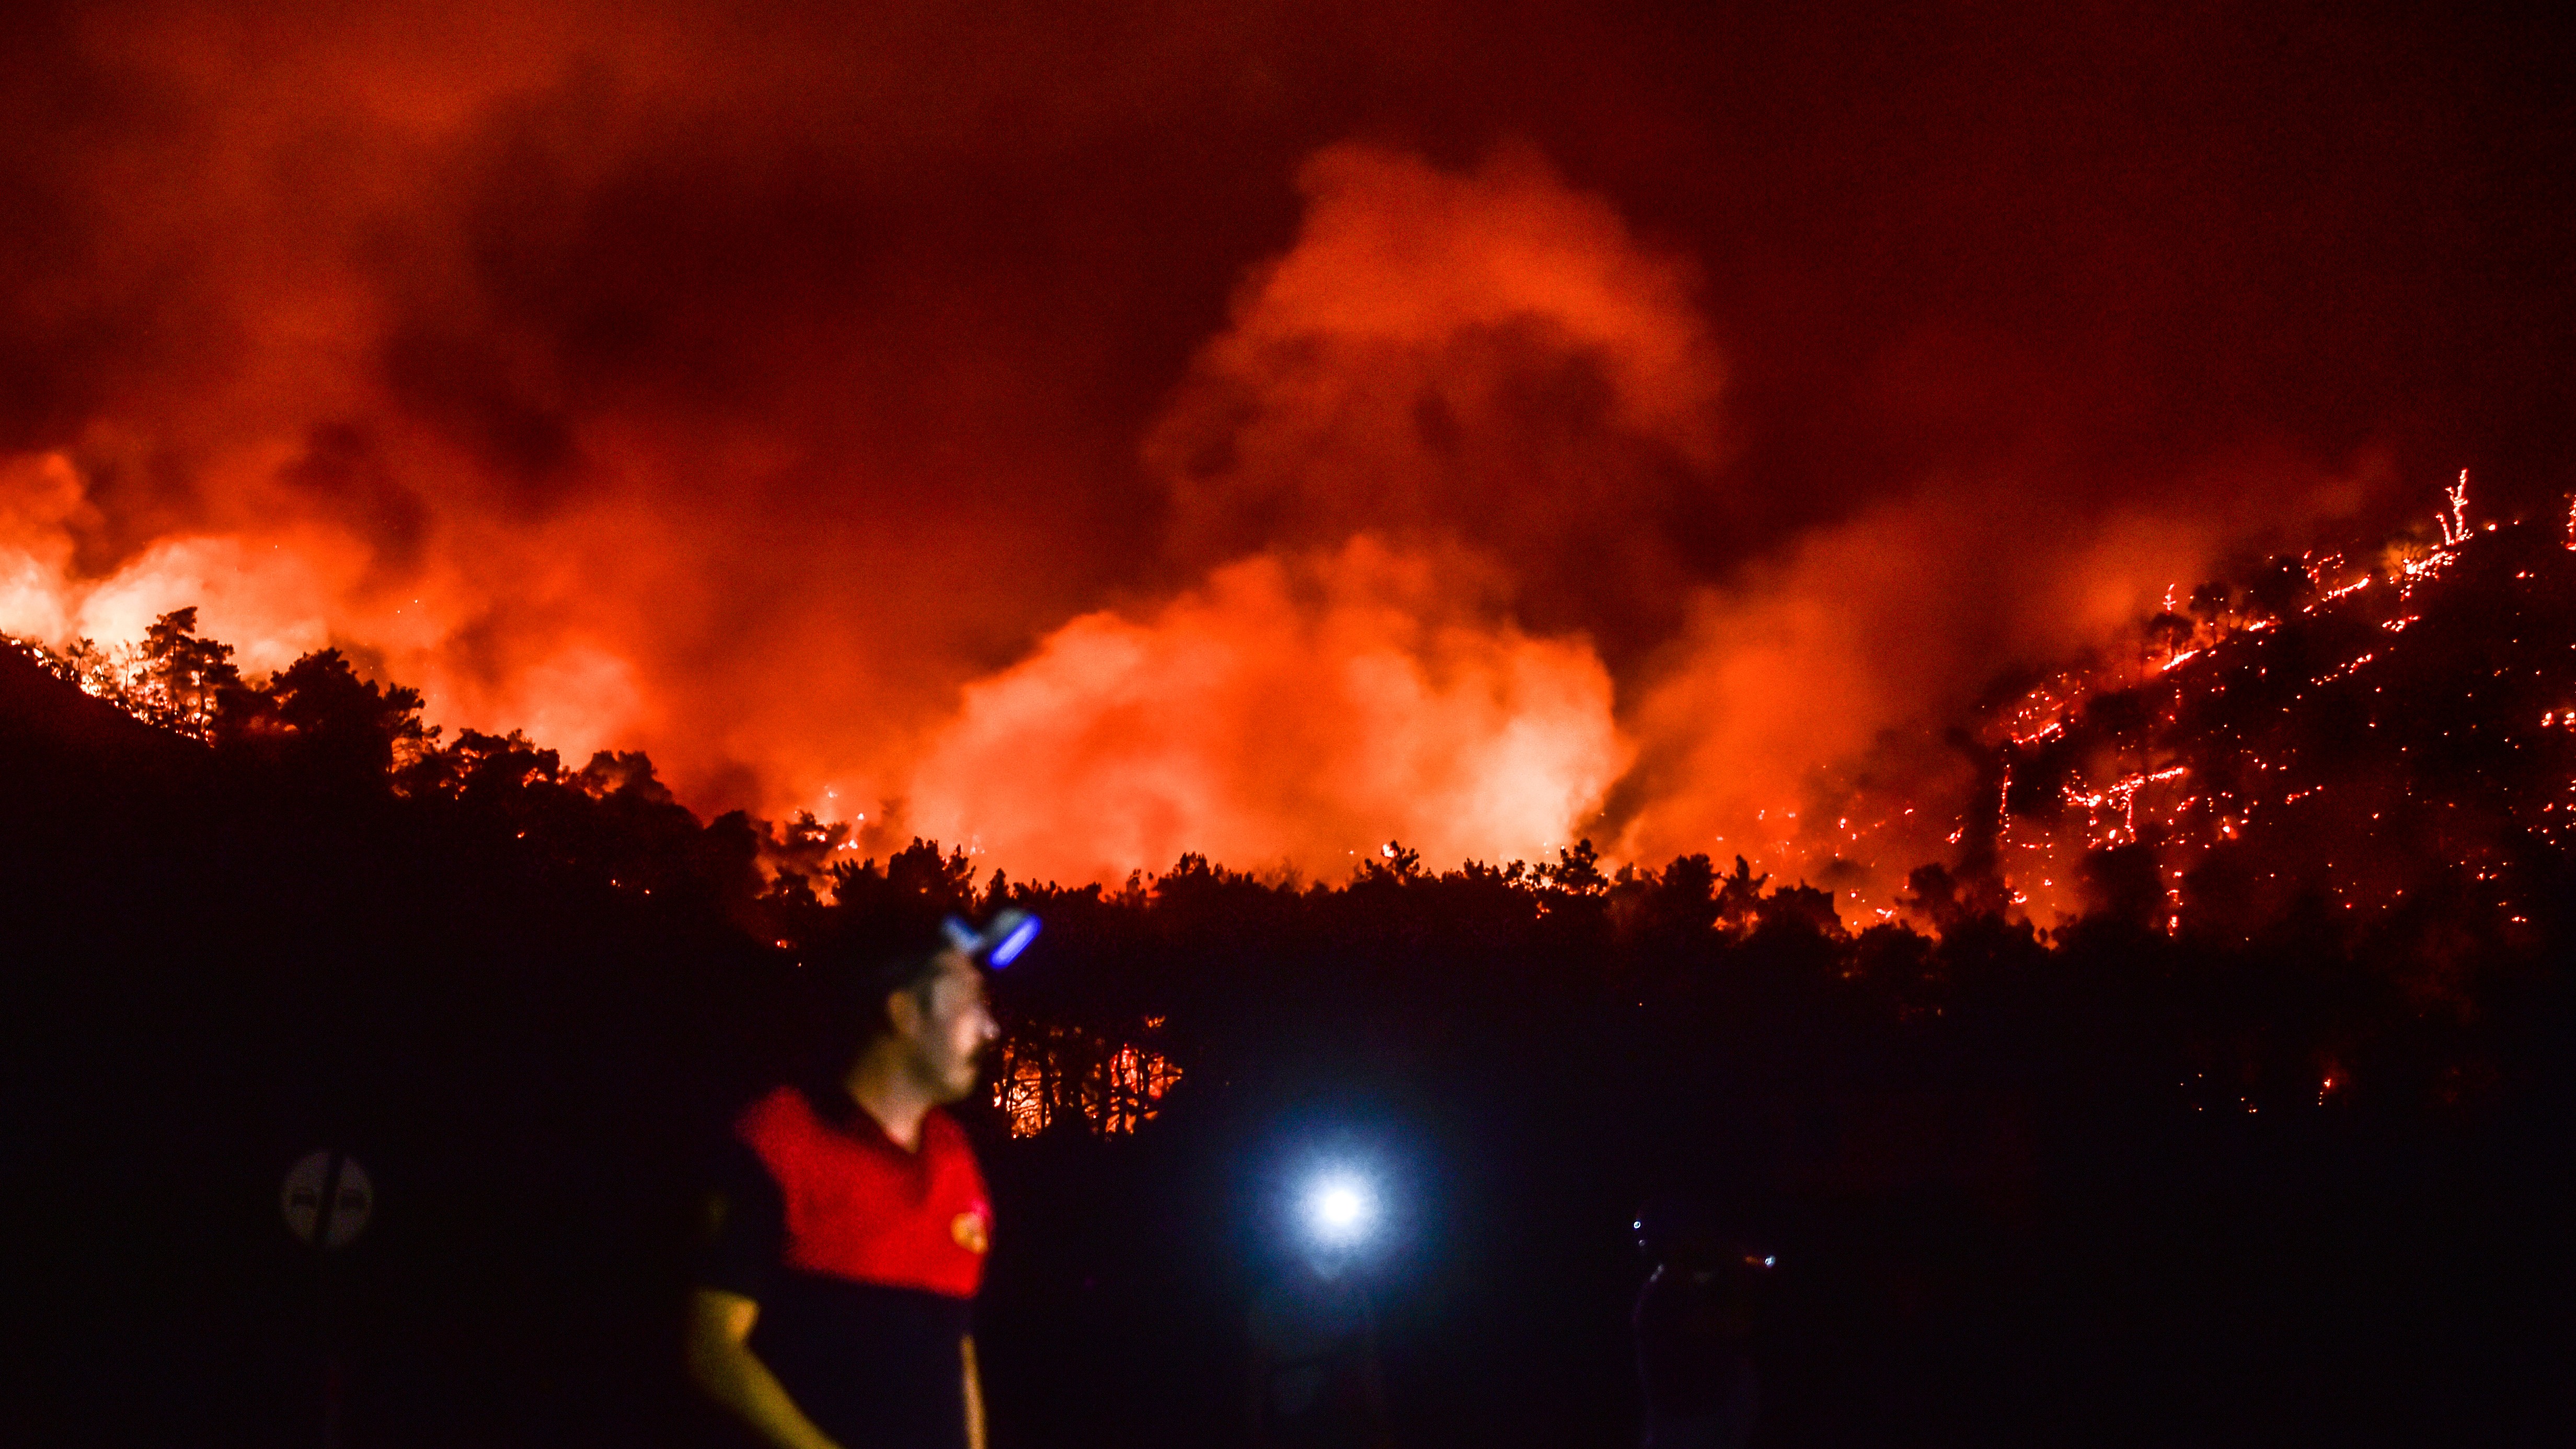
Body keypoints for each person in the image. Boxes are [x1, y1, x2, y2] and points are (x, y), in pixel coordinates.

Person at [685, 901, 1019, 1449]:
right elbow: (712, 1350)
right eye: (970, 1002)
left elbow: (954, 1348)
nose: (989, 1029)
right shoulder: (782, 1140)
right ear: (903, 1013)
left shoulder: (955, 1158)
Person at [1631, 1194, 1765, 1449]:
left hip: (1689, 1426)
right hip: (1689, 1430)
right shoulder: (1664, 1301)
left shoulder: (1673, 1289)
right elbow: (1736, 1325)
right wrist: (1734, 1269)